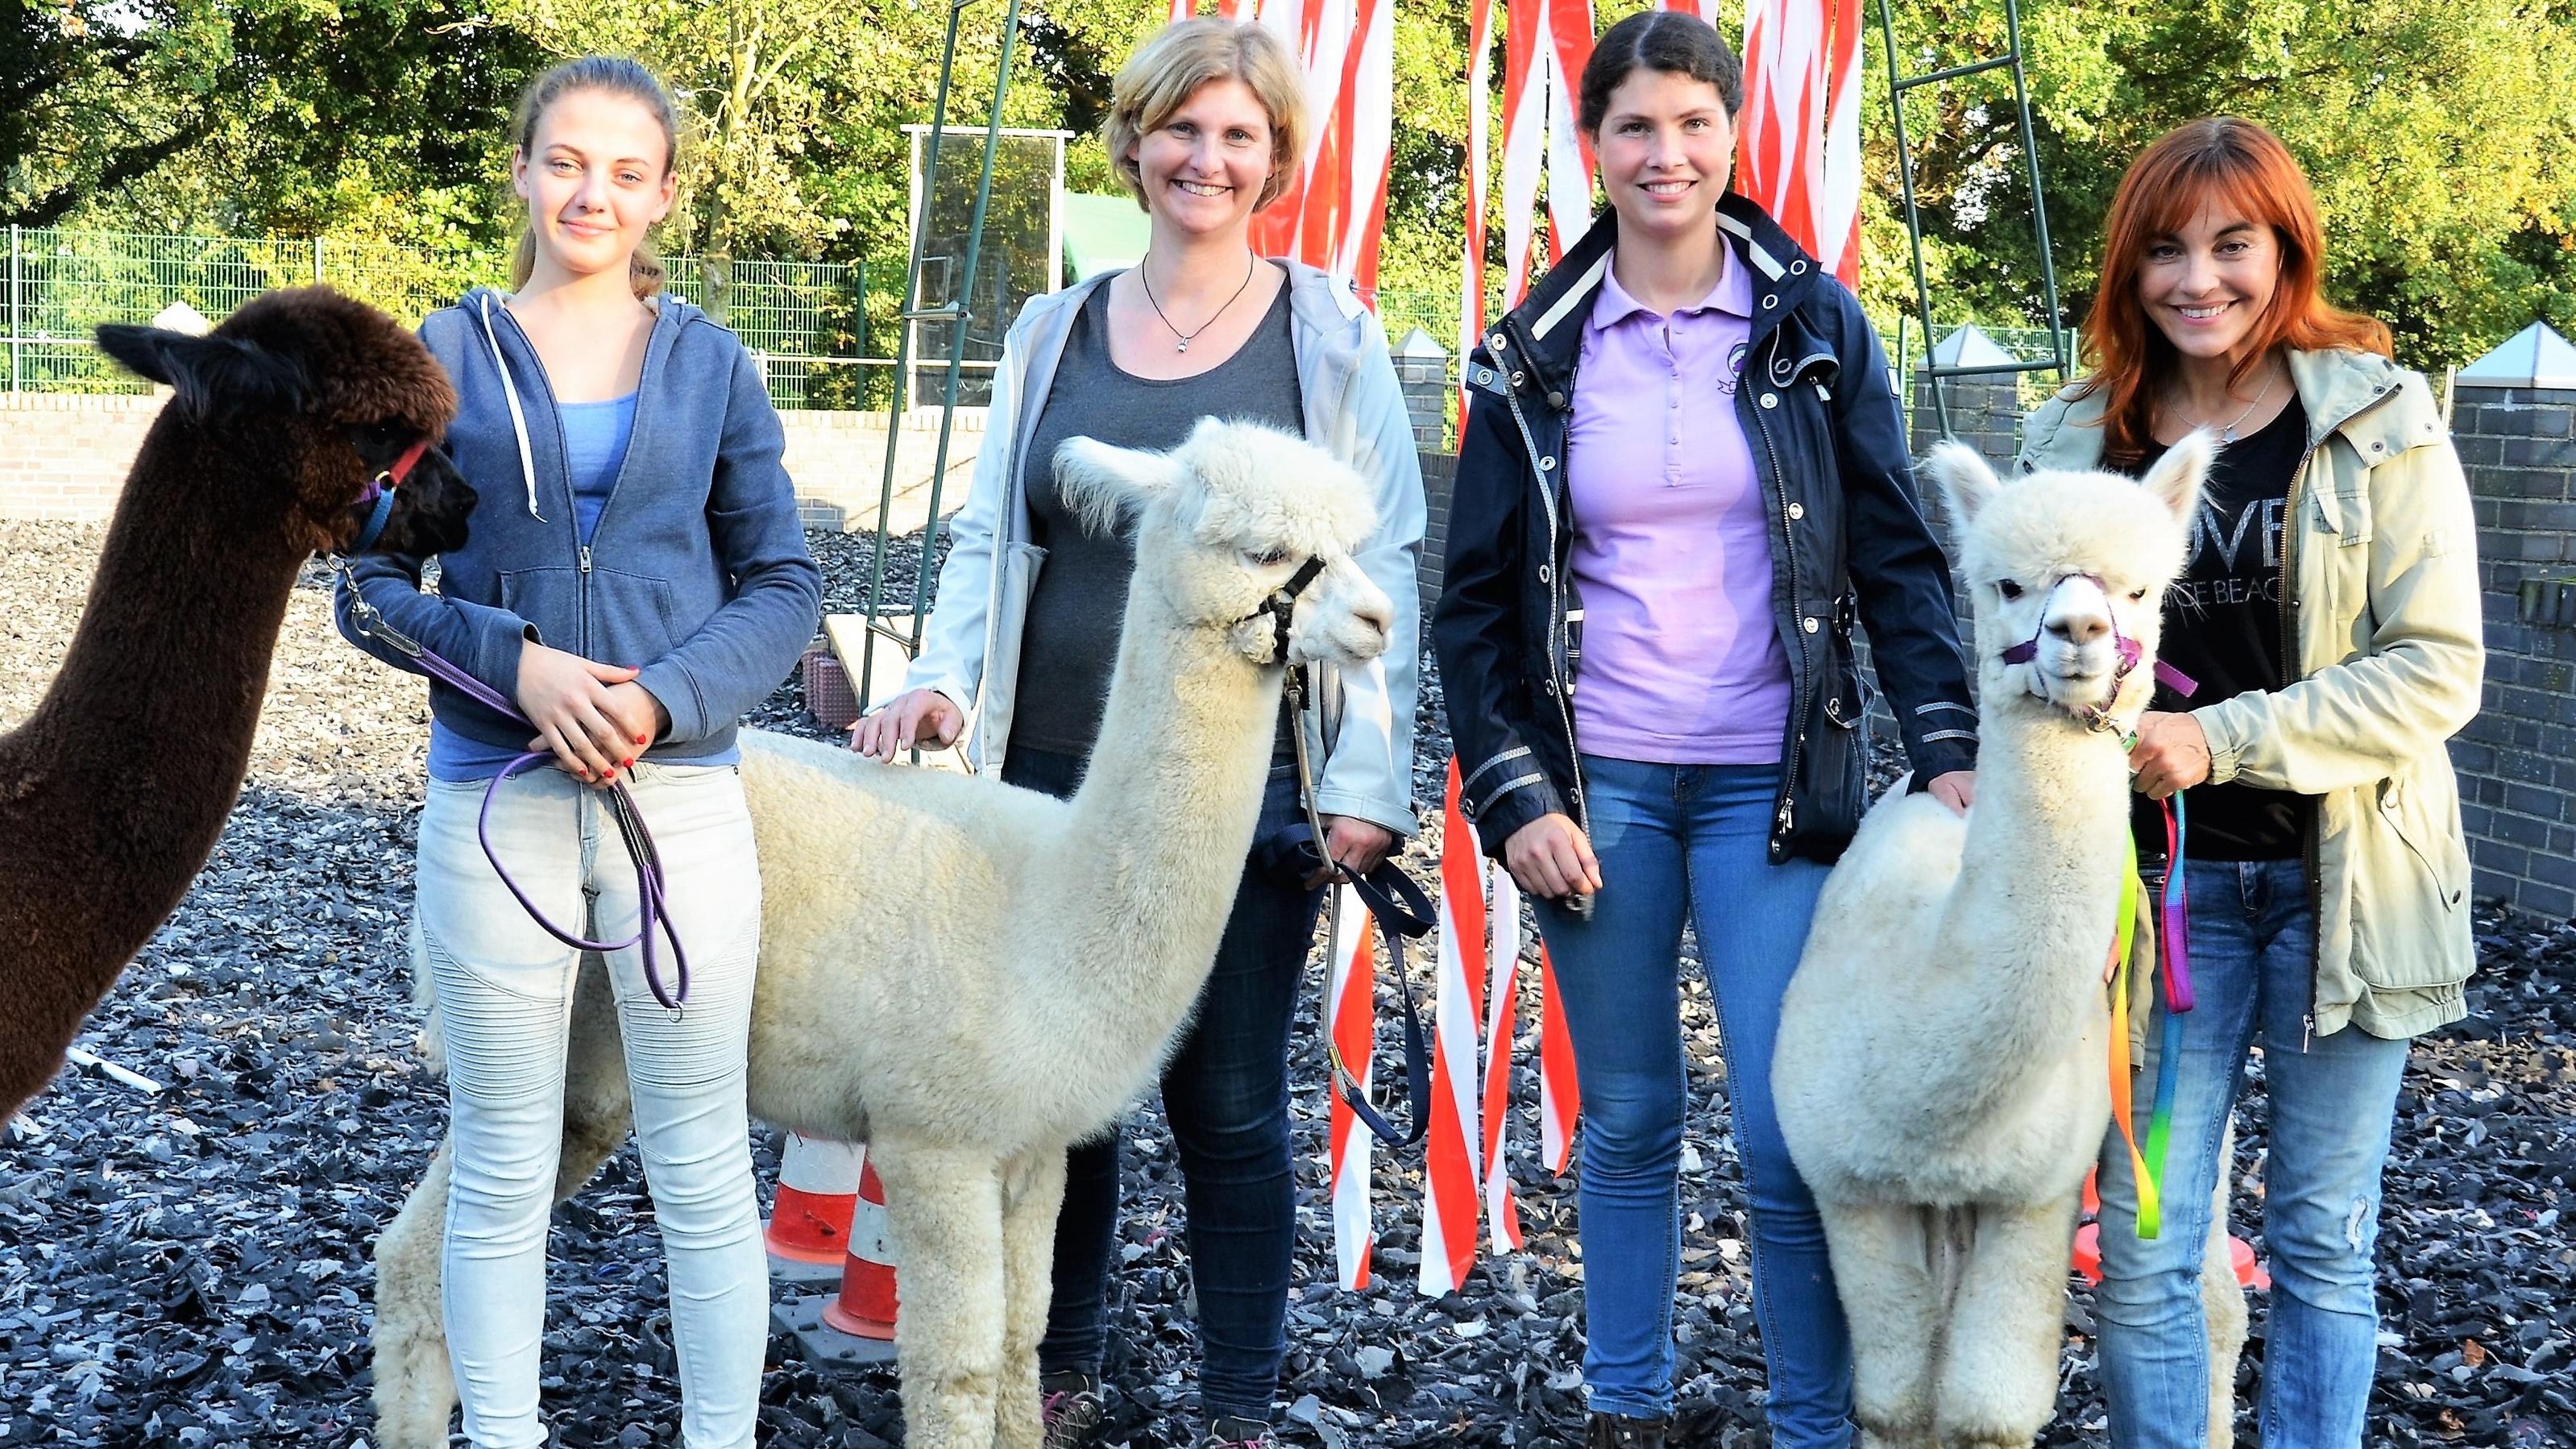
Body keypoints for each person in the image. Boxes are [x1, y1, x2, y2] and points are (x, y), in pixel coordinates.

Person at [851, 19, 1425, 1449]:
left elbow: (1384, 568)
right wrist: (942, 682)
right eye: (1182, 130)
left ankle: (1237, 1399)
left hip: (1235, 791)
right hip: (1050, 769)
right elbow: (992, 535)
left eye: (1237, 136)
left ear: (1275, 159)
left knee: (1226, 1099)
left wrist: (1361, 782)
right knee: (1058, 1094)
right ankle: (1061, 1363)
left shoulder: (1329, 339)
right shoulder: (1055, 329)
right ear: (1136, 140)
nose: (1205, 160)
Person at [1433, 11, 1979, 1447]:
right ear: (1591, 146)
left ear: (1731, 135)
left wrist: (1948, 747)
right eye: (1633, 127)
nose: (1663, 153)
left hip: (1772, 787)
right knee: (1624, 1124)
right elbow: (1474, 609)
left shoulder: (1814, 327)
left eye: (1690, 123)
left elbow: (1900, 558)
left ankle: (1815, 1421)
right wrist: (1514, 796)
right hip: (1596, 784)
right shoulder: (1528, 353)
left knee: (1784, 1135)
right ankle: (1628, 1407)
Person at [335, 57, 822, 1449]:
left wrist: (665, 698)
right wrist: (520, 665)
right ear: (523, 171)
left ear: (663, 191)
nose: (590, 192)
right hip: (497, 801)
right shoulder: (438, 361)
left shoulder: (718, 365)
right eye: (564, 161)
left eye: (623, 169)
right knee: (500, 1163)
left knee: (700, 1166)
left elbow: (782, 583)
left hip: (683, 805)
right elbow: (368, 588)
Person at [2018, 117, 2483, 1448]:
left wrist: (2216, 738)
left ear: (2284, 250)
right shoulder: (2074, 435)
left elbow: (2435, 668)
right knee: (2154, 1248)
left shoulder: (2379, 420)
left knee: (2319, 1243)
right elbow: (2011, 647)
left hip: (2345, 885)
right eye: (2164, 249)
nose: (2197, 278)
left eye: (2232, 244)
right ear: (2128, 268)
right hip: (2150, 901)